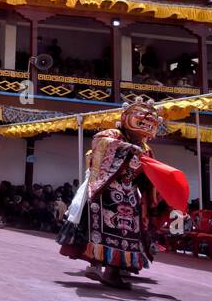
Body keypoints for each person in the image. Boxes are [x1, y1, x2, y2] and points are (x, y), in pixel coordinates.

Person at [57, 98, 187, 288]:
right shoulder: (114, 134)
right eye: (142, 114)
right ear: (126, 116)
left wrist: (162, 194)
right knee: (98, 229)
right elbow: (99, 143)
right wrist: (126, 148)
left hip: (130, 196)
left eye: (152, 118)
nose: (147, 119)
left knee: (127, 235)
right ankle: (95, 263)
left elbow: (148, 176)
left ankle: (113, 272)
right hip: (104, 191)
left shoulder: (146, 149)